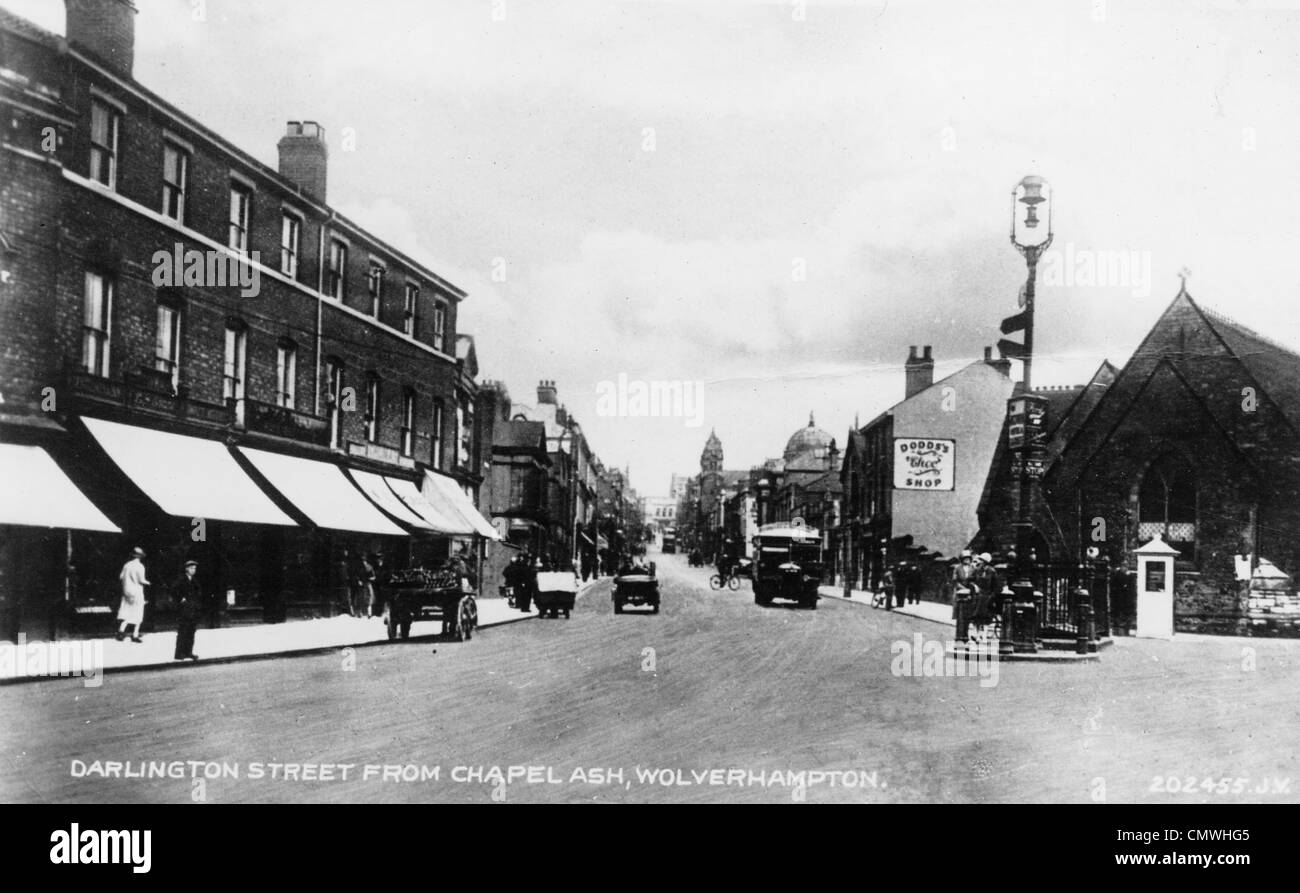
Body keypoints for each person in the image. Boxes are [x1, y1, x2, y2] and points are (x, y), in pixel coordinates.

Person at [116, 547, 149, 643]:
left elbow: (121, 577)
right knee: (138, 613)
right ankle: (135, 634)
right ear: (141, 557)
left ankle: (121, 631)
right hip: (137, 591)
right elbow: (141, 580)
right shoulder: (140, 566)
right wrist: (149, 583)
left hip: (126, 592)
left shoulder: (126, 565)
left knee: (127, 612)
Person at [173, 560, 202, 661]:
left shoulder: (194, 581)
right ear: (186, 569)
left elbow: (198, 592)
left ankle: (188, 652)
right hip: (184, 610)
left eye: (195, 568)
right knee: (183, 631)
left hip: (193, 609)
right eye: (191, 568)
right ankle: (179, 653)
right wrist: (181, 598)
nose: (193, 570)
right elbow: (174, 591)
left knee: (191, 632)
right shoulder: (181, 580)